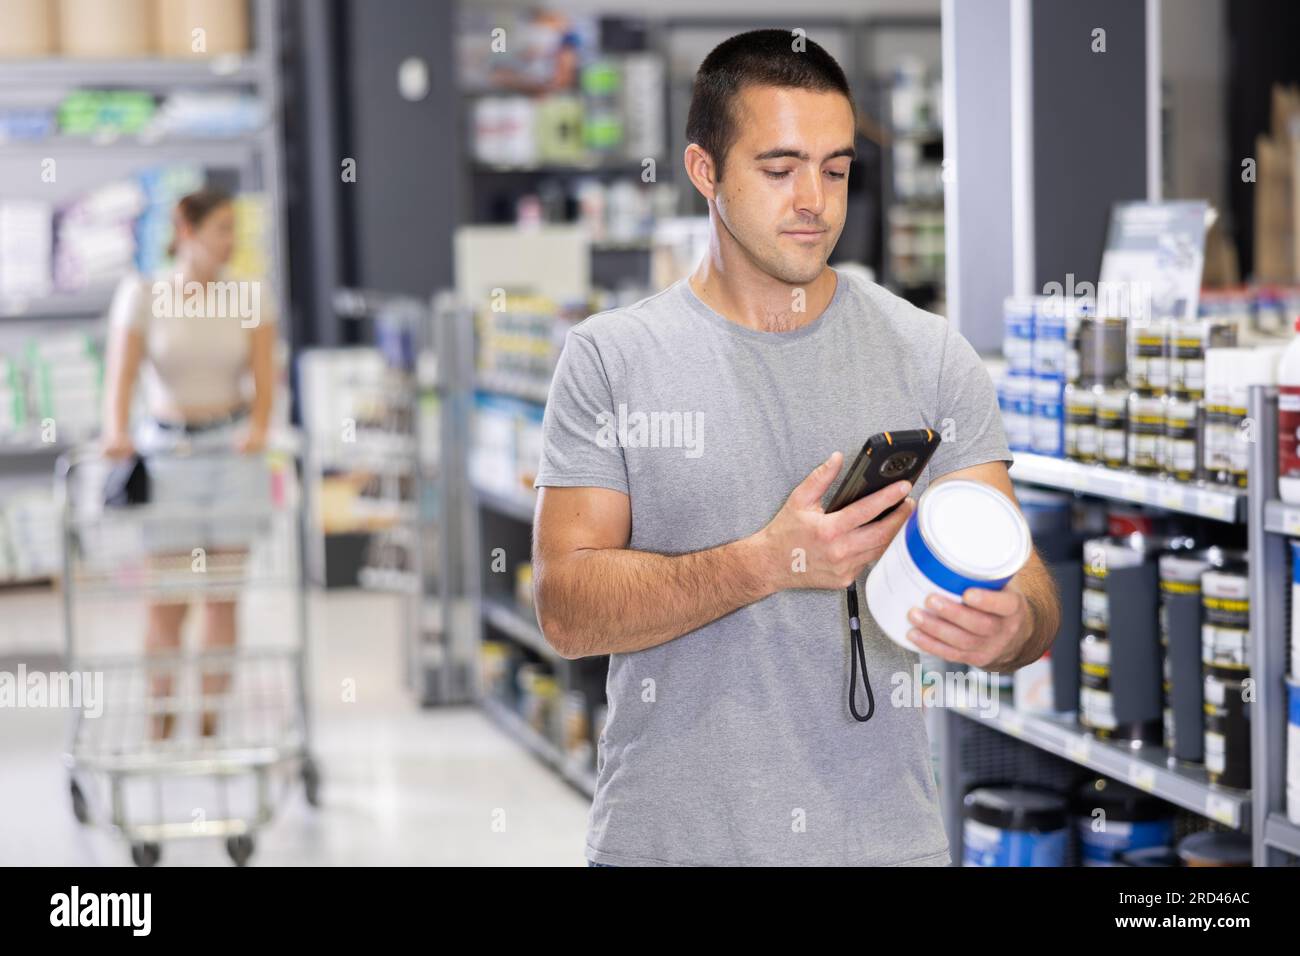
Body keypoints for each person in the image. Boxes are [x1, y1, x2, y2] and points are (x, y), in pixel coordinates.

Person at [532, 30, 1060, 867]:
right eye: (779, 170)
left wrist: (1014, 626)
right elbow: (565, 606)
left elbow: (1027, 583)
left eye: (837, 168)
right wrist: (766, 562)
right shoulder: (613, 358)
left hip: (885, 846)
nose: (814, 198)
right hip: (670, 847)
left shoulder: (928, 354)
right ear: (705, 171)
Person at [102, 187, 276, 742]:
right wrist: (116, 432)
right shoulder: (145, 294)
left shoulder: (249, 295)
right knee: (167, 599)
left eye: (235, 231)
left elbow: (266, 379)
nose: (231, 242)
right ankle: (160, 718)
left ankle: (207, 722)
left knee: (223, 594)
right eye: (222, 229)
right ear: (186, 232)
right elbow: (121, 377)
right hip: (169, 455)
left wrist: (258, 428)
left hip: (230, 453)